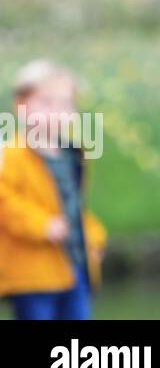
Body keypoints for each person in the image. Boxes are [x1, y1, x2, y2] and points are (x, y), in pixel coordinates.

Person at [0, 60, 107, 320]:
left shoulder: (72, 154)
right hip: (32, 272)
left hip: (74, 265)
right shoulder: (12, 156)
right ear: (21, 107)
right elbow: (5, 201)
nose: (57, 112)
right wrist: (42, 225)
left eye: (65, 104)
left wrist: (93, 234)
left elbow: (73, 205)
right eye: (47, 103)